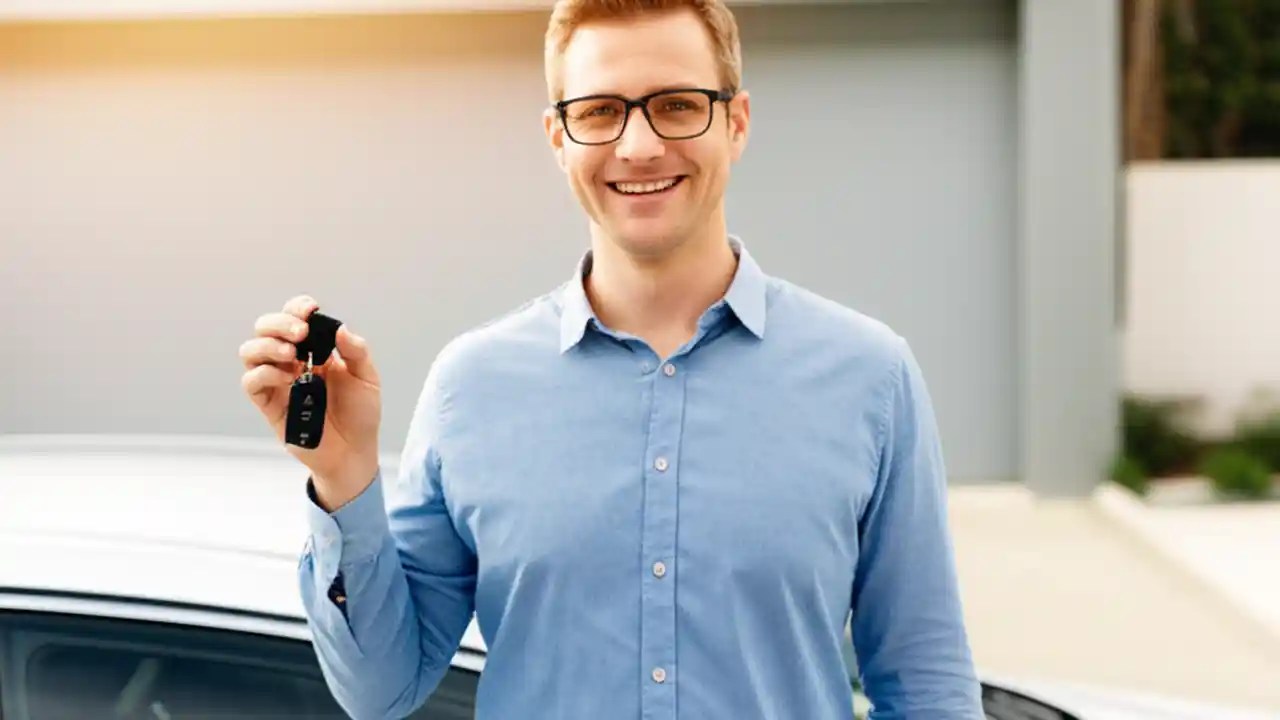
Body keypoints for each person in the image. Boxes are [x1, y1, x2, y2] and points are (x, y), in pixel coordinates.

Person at [239, 0, 983, 717]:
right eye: (599, 111)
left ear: (738, 122)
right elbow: (381, 692)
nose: (639, 146)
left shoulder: (870, 378)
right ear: (558, 138)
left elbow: (929, 695)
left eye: (677, 104)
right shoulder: (472, 386)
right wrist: (343, 478)